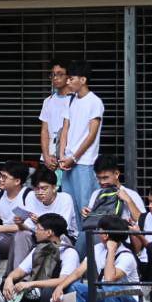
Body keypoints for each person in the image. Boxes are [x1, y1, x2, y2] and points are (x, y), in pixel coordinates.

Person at [0, 212, 80, 302]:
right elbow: (20, 271)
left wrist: (31, 283)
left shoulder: (69, 252)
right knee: (9, 285)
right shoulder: (39, 250)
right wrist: (9, 279)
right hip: (40, 300)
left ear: (49, 232)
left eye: (38, 228)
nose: (35, 232)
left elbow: (62, 281)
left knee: (48, 290)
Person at [60, 216, 141, 302]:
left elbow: (109, 279)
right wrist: (60, 287)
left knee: (111, 287)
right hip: (106, 299)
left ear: (106, 235)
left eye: (100, 230)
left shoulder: (127, 256)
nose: (97, 232)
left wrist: (111, 250)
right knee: (74, 287)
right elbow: (78, 272)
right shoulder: (97, 248)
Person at [57, 59, 101, 208]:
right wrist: (62, 156)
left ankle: (84, 233)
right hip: (67, 163)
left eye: (71, 78)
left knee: (85, 206)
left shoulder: (94, 102)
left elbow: (91, 135)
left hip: (84, 162)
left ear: (83, 80)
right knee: (69, 206)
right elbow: (65, 129)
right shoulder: (70, 101)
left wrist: (74, 157)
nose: (68, 82)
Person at [15, 167, 78, 254]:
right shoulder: (31, 196)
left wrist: (40, 222)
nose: (40, 192)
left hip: (62, 237)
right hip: (38, 235)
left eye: (44, 188)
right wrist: (20, 224)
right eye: (36, 188)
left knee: (53, 237)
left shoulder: (65, 198)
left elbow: (62, 227)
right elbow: (29, 228)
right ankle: (19, 267)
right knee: (21, 235)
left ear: (54, 187)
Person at [0, 161, 33, 271]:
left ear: (17, 181)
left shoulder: (28, 196)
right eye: (0, 175)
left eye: (5, 177)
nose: (1, 179)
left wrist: (0, 228)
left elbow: (29, 226)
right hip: (4, 236)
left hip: (24, 236)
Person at [39, 60, 71, 188]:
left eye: (59, 74)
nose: (55, 78)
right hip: (49, 157)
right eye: (52, 75)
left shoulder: (76, 100)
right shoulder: (48, 101)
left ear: (69, 76)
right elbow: (44, 131)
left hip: (68, 157)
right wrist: (46, 156)